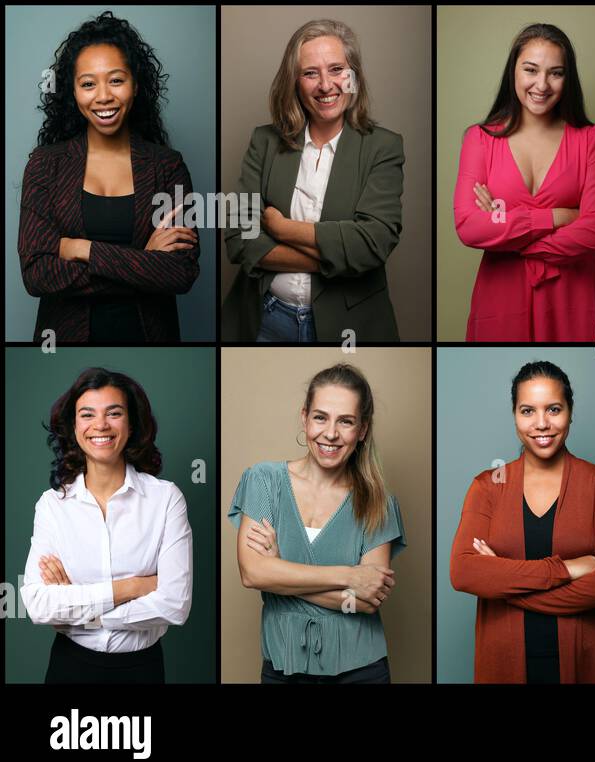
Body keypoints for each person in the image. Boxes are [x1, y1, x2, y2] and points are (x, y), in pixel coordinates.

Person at [18, 11, 199, 342]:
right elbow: (37, 274)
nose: (103, 96)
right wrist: (143, 262)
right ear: (73, 92)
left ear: (136, 84)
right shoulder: (45, 166)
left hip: (150, 340)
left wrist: (80, 248)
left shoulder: (167, 167)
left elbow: (181, 272)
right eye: (88, 84)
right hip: (64, 340)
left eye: (116, 80)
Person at [450, 361, 595, 682]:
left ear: (570, 412)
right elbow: (464, 572)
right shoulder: (486, 486)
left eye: (553, 409)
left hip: (582, 661)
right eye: (527, 411)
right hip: (502, 661)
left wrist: (504, 585)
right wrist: (566, 569)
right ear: (514, 415)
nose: (541, 423)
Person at [223, 19, 404, 342]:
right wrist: (341, 257)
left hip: (349, 325)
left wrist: (282, 229)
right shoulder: (264, 142)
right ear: (294, 82)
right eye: (310, 73)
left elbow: (373, 243)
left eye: (336, 69)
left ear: (353, 77)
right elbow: (239, 236)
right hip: (265, 319)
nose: (325, 85)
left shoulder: (384, 146)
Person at [230, 363, 405, 683]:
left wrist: (279, 574)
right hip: (284, 665)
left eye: (346, 421)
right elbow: (252, 572)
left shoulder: (379, 502)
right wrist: (350, 576)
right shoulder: (263, 481)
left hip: (362, 670)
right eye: (320, 417)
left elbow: (366, 599)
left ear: (362, 430)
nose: (331, 433)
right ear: (304, 417)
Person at [21, 368, 193, 683]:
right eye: (87, 415)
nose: (100, 425)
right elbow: (38, 605)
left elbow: (174, 604)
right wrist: (134, 587)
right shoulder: (52, 505)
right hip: (70, 667)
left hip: (142, 669)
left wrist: (79, 609)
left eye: (114, 413)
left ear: (131, 425)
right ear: (74, 427)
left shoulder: (166, 499)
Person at [454, 24, 595, 342]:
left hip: (575, 294)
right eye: (531, 70)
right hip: (501, 295)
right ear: (513, 71)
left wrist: (509, 236)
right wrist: (558, 216)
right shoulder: (480, 139)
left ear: (568, 79)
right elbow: (468, 226)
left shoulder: (590, 139)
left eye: (555, 73)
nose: (541, 84)